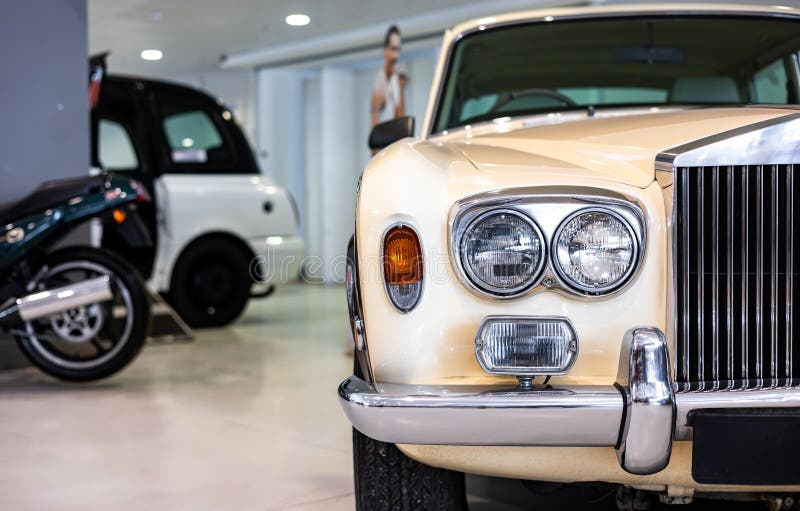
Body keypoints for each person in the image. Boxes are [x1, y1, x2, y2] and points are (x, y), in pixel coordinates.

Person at [371, 25, 407, 128]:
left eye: (398, 50)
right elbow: (374, 128)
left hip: (396, 139)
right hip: (384, 142)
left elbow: (400, 117)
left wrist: (401, 89)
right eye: (393, 49)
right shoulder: (379, 84)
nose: (396, 55)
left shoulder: (396, 80)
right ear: (385, 51)